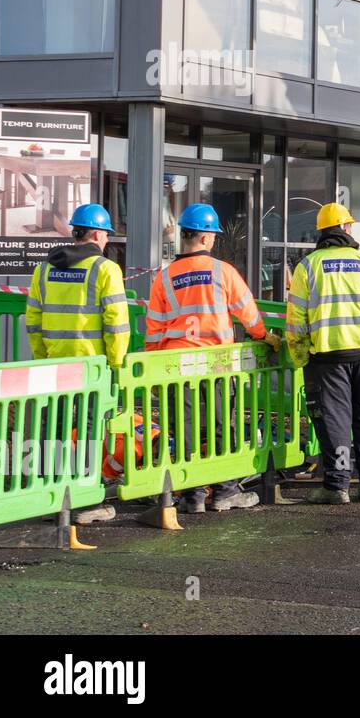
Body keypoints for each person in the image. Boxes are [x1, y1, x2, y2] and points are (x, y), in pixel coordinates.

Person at [145, 203, 280, 513]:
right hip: (217, 363)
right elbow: (248, 314)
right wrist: (262, 336)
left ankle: (192, 497)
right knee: (223, 426)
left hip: (175, 364)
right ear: (206, 238)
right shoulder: (223, 272)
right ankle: (225, 491)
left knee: (184, 429)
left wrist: (154, 367)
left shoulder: (164, 278)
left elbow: (154, 328)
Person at [286, 203, 360, 505]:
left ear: (322, 232)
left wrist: (299, 357)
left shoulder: (307, 267)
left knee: (335, 424)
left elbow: (296, 320)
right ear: (346, 229)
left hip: (329, 359)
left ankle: (337, 486)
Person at [25, 204, 129, 524]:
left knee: (53, 429)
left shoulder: (44, 269)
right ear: (98, 233)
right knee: (88, 431)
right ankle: (84, 502)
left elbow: (33, 319)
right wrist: (115, 365)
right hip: (91, 368)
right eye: (106, 233)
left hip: (55, 365)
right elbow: (117, 325)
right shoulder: (105, 270)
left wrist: (44, 358)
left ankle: (50, 498)